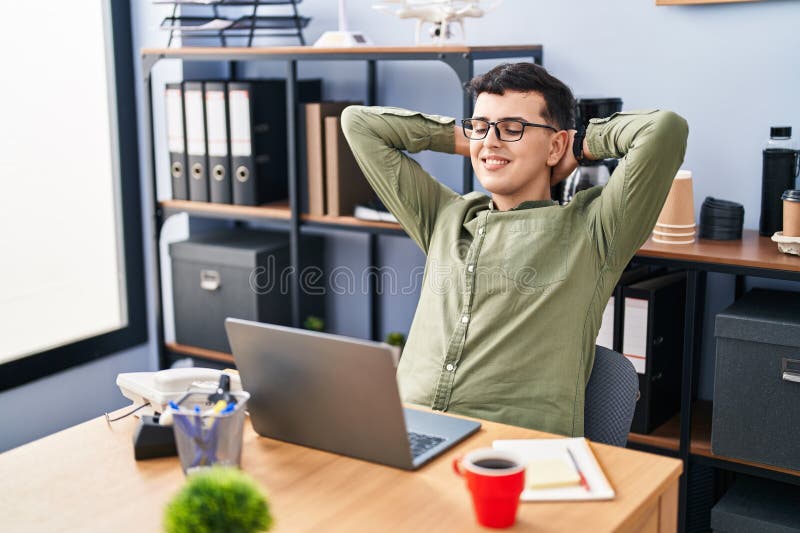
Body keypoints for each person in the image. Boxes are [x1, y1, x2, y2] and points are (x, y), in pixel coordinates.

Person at [341, 62, 688, 436]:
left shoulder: (593, 229)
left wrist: (579, 145)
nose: (491, 140)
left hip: (512, 451)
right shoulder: (447, 216)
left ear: (555, 144)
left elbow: (664, 130)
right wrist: (471, 141)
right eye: (480, 125)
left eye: (512, 128)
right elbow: (358, 124)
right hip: (405, 430)